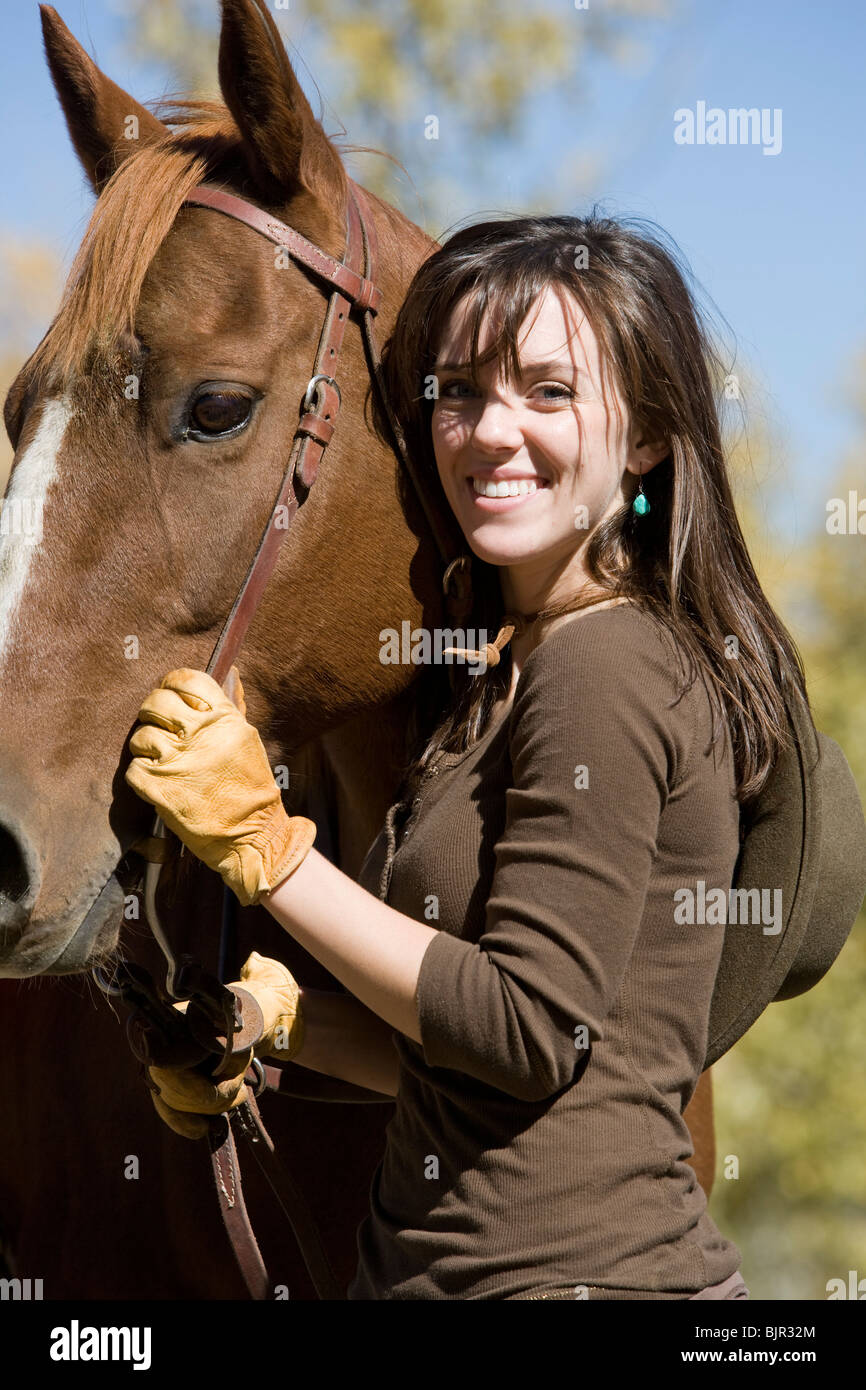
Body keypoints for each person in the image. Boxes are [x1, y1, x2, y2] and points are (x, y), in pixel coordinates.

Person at [125, 211, 814, 1300]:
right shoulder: (510, 668)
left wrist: (270, 853)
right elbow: (474, 1069)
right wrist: (283, 1024)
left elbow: (525, 1029)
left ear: (644, 436)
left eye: (548, 391)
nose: (491, 431)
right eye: (458, 391)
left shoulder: (606, 664)